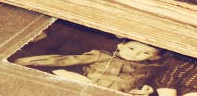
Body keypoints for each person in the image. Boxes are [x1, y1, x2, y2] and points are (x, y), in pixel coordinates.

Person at [14, 40, 165, 93]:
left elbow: (149, 85)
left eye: (145, 52)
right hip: (88, 88)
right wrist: (26, 61)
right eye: (132, 48)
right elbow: (67, 60)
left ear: (153, 57)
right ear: (121, 46)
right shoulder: (102, 55)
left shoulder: (151, 68)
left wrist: (147, 91)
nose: (136, 54)